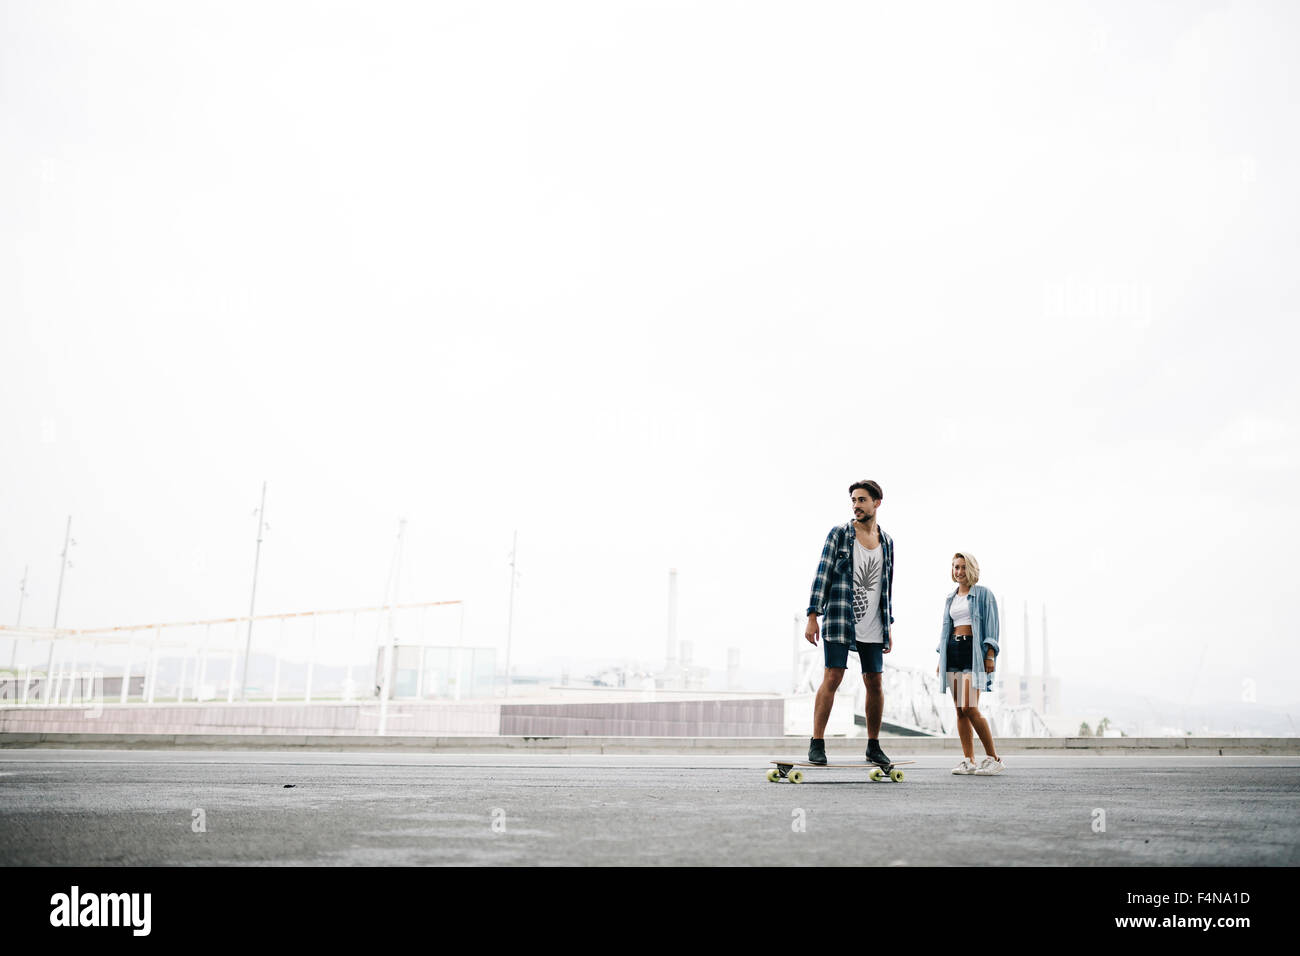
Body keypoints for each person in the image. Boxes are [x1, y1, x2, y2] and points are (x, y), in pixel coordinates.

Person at [805, 480, 895, 768]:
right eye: (853, 500)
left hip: (873, 623)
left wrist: (887, 626)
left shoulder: (888, 542)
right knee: (833, 676)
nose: (856, 505)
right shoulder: (840, 534)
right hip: (841, 617)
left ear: (876, 503)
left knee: (875, 682)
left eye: (862, 500)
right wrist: (812, 615)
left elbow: (886, 586)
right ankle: (816, 742)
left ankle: (873, 745)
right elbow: (823, 572)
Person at [937, 552, 1004, 774]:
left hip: (973, 652)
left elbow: (993, 626)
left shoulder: (984, 595)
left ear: (972, 569)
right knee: (959, 711)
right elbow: (946, 629)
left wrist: (990, 654)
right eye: (956, 567)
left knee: (970, 707)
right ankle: (968, 760)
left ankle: (994, 758)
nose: (959, 571)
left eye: (963, 567)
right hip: (953, 651)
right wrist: (941, 658)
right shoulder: (951, 597)